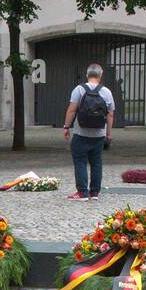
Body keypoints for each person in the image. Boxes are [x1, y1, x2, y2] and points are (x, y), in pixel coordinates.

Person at [61, 64, 115, 201]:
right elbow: (110, 115)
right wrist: (108, 133)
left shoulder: (79, 89)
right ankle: (95, 193)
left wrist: (66, 127)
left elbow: (72, 110)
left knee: (80, 162)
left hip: (81, 133)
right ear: (100, 75)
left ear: (87, 74)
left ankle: (82, 192)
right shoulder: (106, 92)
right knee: (96, 162)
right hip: (99, 134)